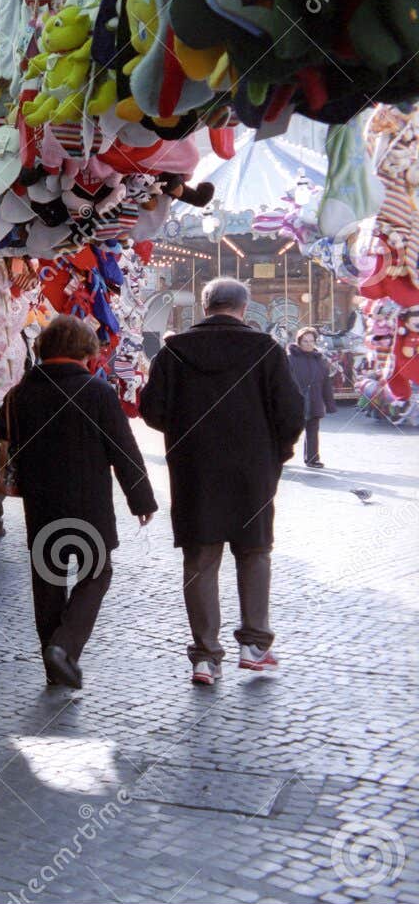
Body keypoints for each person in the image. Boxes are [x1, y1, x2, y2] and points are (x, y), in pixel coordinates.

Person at [141, 278, 304, 686]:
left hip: (194, 469)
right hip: (253, 470)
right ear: (244, 308)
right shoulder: (265, 349)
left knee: (200, 561)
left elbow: (151, 410)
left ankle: (205, 658)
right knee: (254, 553)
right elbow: (291, 413)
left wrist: (184, 434)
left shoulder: (174, 350)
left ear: (205, 305)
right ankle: (254, 646)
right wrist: (275, 454)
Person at [0, 315, 157, 689]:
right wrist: (141, 498)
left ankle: (54, 667)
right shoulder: (97, 393)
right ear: (86, 352)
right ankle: (64, 648)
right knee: (96, 574)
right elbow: (123, 451)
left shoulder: (20, 394)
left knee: (47, 585)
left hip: (41, 505)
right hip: (89, 505)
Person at [287, 326, 337, 468]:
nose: (309, 344)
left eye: (311, 341)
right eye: (305, 341)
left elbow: (326, 384)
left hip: (314, 400)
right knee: (288, 432)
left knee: (313, 431)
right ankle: (279, 456)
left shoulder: (320, 360)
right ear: (299, 342)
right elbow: (282, 380)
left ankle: (312, 459)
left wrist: (330, 405)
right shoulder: (290, 359)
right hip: (294, 401)